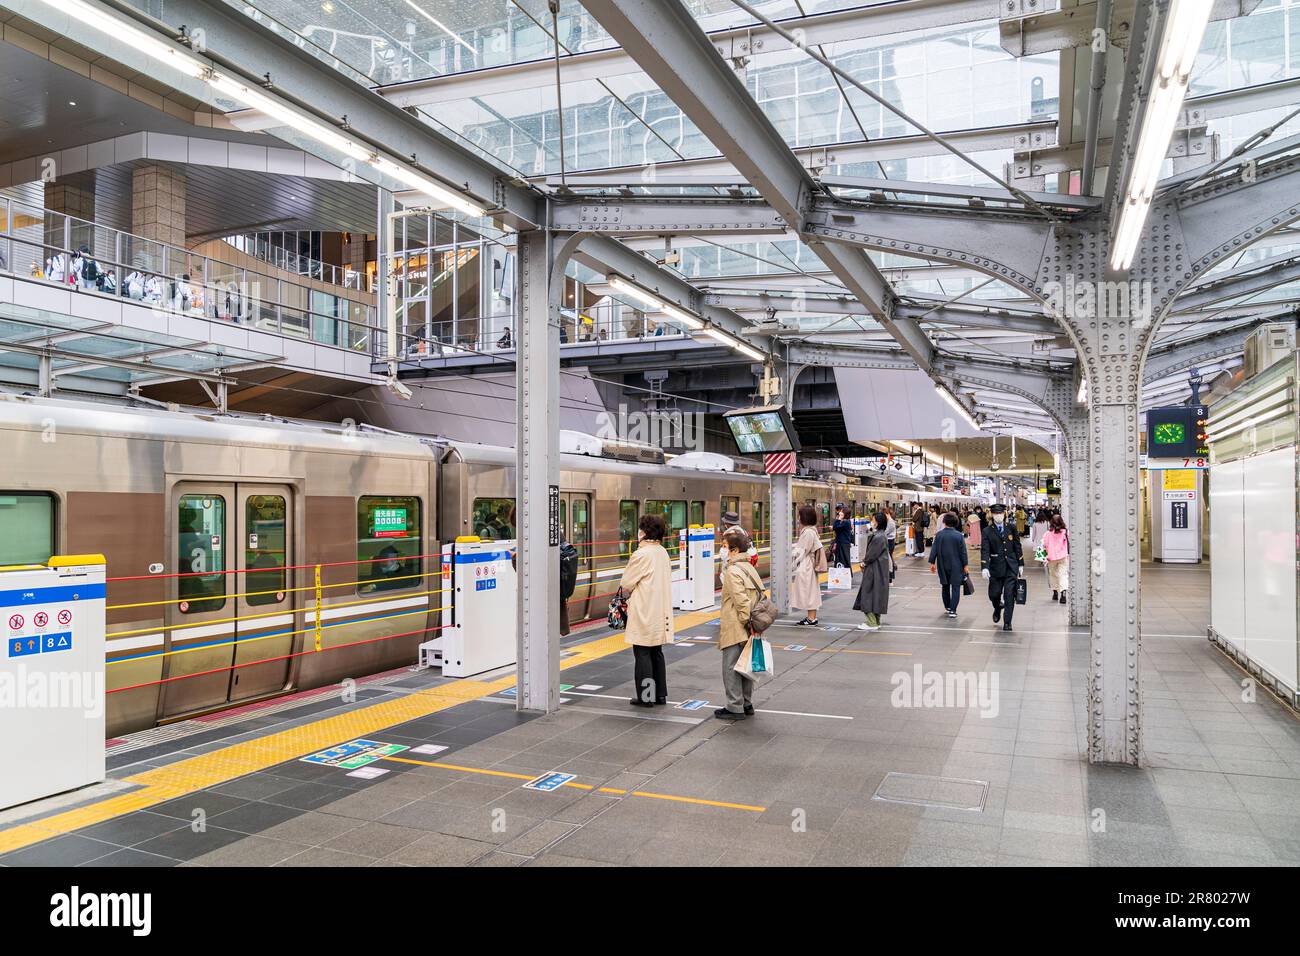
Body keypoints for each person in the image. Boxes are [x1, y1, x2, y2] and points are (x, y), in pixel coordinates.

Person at [620, 514, 673, 706]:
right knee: (656, 652)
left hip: (645, 610)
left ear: (644, 532)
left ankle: (646, 697)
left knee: (642, 652)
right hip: (660, 610)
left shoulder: (641, 554)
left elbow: (626, 582)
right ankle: (660, 695)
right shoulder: (662, 552)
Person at [716, 527, 764, 721]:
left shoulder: (733, 571)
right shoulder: (749, 567)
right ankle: (746, 702)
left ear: (735, 550)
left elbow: (741, 601)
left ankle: (734, 706)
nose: (724, 551)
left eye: (726, 547)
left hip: (736, 625)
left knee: (731, 667)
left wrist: (747, 622)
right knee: (745, 666)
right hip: (749, 625)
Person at [981, 504, 1025, 631]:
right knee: (994, 594)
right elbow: (985, 549)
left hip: (1011, 567)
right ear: (992, 515)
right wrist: (984, 566)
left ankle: (1007, 622)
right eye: (995, 514)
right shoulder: (987, 531)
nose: (998, 516)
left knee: (1009, 595)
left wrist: (1021, 564)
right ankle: (997, 607)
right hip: (995, 567)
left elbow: (1017, 546)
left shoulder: (1011, 528)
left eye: (1000, 513)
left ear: (1004, 514)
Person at [854, 512, 892, 631]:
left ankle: (872, 623)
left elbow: (871, 554)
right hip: (879, 570)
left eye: (873, 520)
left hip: (874, 570)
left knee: (868, 593)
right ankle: (876, 621)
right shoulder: (881, 535)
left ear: (878, 522)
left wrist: (863, 562)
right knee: (877, 595)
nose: (872, 521)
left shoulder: (878, 537)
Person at [929, 512, 970, 619]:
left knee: (945, 586)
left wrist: (932, 563)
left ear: (944, 522)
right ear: (956, 523)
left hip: (942, 565)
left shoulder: (939, 535)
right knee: (955, 588)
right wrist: (965, 565)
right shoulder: (959, 536)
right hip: (957, 565)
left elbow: (934, 550)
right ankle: (953, 610)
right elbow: (963, 552)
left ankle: (947, 606)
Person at [792, 504, 823, 626]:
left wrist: (791, 560)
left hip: (807, 566)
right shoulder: (811, 531)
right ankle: (811, 617)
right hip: (808, 564)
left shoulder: (808, 533)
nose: (798, 518)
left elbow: (802, 550)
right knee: (811, 590)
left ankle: (811, 618)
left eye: (799, 516)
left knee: (809, 591)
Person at [1043, 514, 1070, 604]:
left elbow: (1044, 545)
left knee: (1053, 575)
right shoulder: (1065, 532)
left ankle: (1055, 593)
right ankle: (1063, 593)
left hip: (1051, 558)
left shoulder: (1048, 534)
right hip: (1063, 557)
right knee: (1063, 575)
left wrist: (1045, 556)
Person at [831, 504, 853, 569]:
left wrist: (839, 518)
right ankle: (843, 575)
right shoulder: (845, 521)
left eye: (842, 511)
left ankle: (847, 575)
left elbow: (835, 527)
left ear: (845, 513)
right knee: (842, 560)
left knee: (844, 560)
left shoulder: (846, 522)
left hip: (843, 544)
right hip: (842, 544)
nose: (840, 512)